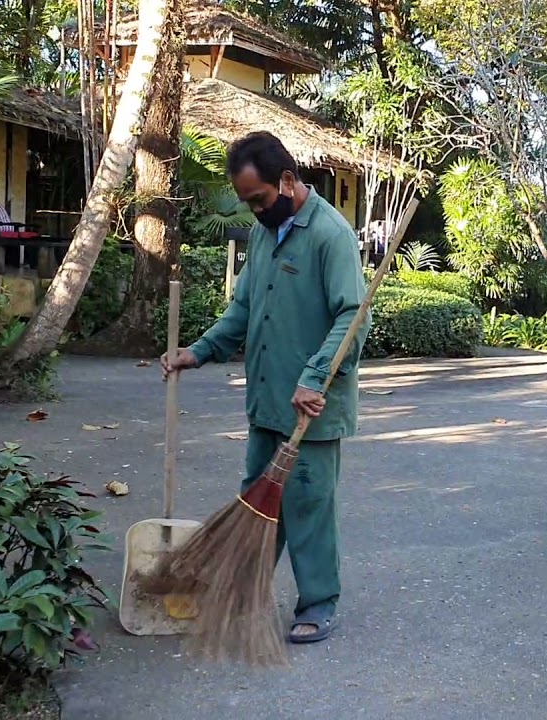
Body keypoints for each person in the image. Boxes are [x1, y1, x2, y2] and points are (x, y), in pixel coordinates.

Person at [161, 131, 368, 644]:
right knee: (256, 498)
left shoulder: (330, 235)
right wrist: (199, 351)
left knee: (307, 502)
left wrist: (313, 377)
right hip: (266, 400)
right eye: (247, 203)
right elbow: (245, 308)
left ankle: (318, 603)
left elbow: (353, 316)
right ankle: (242, 594)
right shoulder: (262, 233)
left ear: (288, 181)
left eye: (260, 199)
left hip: (311, 406)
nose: (255, 211)